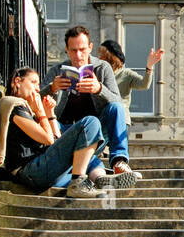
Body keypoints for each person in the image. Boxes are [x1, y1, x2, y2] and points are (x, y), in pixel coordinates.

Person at [41, 25, 137, 188]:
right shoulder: (57, 70)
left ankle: (119, 161)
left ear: (90, 47)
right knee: (46, 123)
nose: (78, 56)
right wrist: (52, 88)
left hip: (97, 131)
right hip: (65, 132)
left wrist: (99, 89)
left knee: (116, 108)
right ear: (66, 49)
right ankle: (99, 175)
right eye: (73, 51)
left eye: (82, 50)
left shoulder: (103, 68)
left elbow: (117, 101)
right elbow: (35, 102)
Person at [0, 67, 106, 197]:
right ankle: (79, 183)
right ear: (17, 81)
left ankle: (100, 180)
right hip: (31, 172)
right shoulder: (15, 107)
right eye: (33, 82)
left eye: (38, 84)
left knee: (87, 155)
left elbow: (56, 139)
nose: (37, 89)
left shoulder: (27, 108)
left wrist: (50, 114)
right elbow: (47, 139)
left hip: (43, 171)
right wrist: (40, 112)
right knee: (90, 122)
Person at [98, 38, 163, 181]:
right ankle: (100, 169)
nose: (99, 57)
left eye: (102, 54)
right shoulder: (100, 73)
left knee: (116, 146)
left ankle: (119, 167)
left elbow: (144, 84)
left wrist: (149, 67)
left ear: (110, 55)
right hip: (103, 117)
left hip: (121, 119)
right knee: (97, 145)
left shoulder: (126, 74)